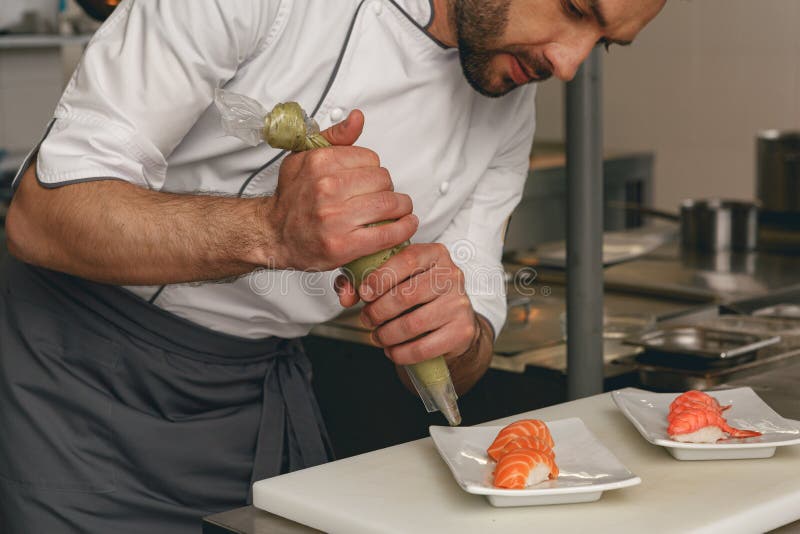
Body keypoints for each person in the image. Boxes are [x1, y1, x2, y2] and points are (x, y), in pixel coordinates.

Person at [0, 0, 666, 532]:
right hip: (84, 389)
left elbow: (472, 328)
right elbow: (40, 216)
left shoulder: (508, 104)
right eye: (576, 10)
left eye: (604, 42)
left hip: (256, 398)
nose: (571, 63)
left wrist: (450, 334)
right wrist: (269, 231)